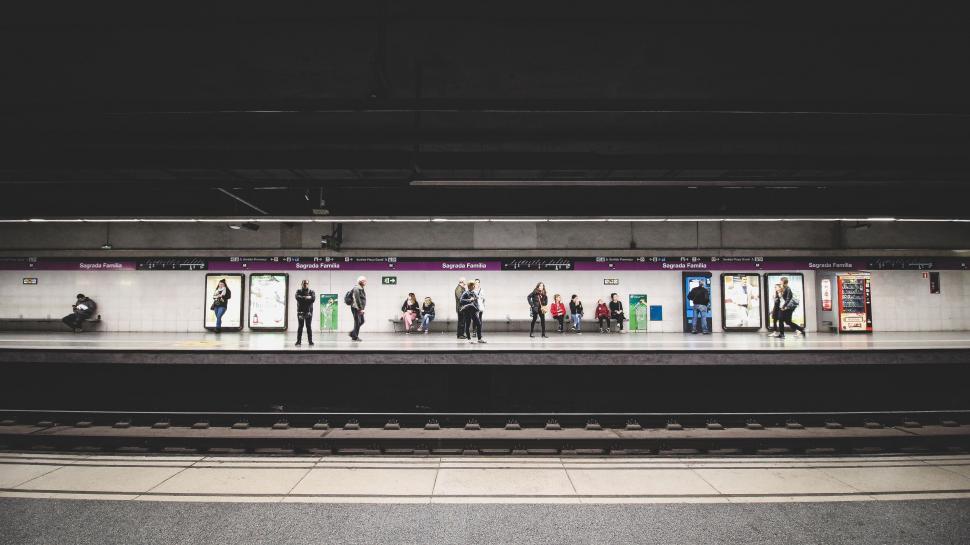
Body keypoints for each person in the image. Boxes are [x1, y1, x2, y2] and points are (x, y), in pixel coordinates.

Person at [294, 279, 315, 346]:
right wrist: (307, 298)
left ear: (308, 284)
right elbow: (297, 298)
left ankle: (310, 341)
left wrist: (303, 298)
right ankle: (298, 341)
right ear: (301, 284)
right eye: (304, 283)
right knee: (300, 326)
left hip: (309, 312)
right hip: (300, 312)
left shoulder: (312, 291)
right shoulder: (298, 291)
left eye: (306, 283)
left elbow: (313, 299)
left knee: (308, 326)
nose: (305, 284)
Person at [349, 275, 367, 341]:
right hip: (356, 308)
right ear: (360, 281)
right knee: (357, 321)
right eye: (364, 281)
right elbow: (357, 299)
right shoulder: (356, 288)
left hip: (360, 308)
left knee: (361, 321)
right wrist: (360, 309)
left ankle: (353, 333)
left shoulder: (361, 288)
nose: (365, 282)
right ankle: (355, 337)